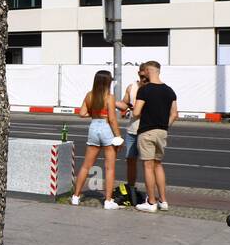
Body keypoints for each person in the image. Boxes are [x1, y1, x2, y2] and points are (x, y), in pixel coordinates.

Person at [71, 69, 124, 210]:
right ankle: (108, 201)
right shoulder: (109, 97)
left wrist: (94, 113)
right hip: (106, 127)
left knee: (86, 166)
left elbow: (82, 113)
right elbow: (112, 119)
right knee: (109, 167)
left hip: (93, 127)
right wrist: (118, 136)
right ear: (108, 82)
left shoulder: (89, 95)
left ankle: (75, 196)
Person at [133, 61, 178, 213]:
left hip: (147, 131)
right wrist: (164, 125)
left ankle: (151, 202)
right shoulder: (169, 90)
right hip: (162, 131)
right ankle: (163, 201)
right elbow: (174, 114)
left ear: (147, 71)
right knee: (158, 165)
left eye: (143, 71)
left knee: (148, 166)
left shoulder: (144, 90)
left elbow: (136, 112)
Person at [114, 65, 149, 206]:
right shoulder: (132, 87)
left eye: (145, 76)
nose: (143, 79)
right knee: (130, 160)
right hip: (132, 130)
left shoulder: (153, 88)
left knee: (149, 164)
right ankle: (131, 188)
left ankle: (150, 195)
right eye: (141, 76)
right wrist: (112, 102)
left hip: (147, 130)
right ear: (139, 73)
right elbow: (124, 104)